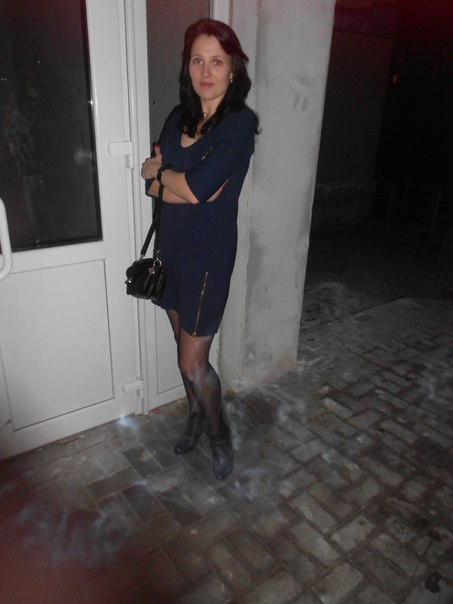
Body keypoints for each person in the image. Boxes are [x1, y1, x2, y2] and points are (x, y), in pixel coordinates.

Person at [141, 19, 259, 480]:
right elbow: (163, 189)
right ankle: (194, 415)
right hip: (171, 250)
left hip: (208, 256)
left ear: (233, 69)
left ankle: (218, 431)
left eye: (217, 61)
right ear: (187, 66)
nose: (206, 71)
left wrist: (162, 175)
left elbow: (196, 188)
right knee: (181, 346)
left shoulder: (239, 124)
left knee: (192, 361)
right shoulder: (177, 118)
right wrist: (174, 183)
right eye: (197, 60)